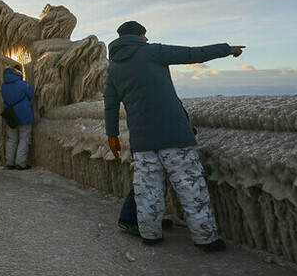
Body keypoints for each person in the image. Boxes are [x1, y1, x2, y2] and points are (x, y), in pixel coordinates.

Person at [103, 21, 244, 251]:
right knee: (191, 189)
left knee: (148, 192)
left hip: (142, 140)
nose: (147, 39)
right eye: (144, 35)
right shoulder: (151, 51)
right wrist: (227, 49)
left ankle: (150, 235)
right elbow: (192, 54)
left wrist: (112, 134)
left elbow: (110, 104)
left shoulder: (113, 67)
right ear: (139, 36)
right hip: (175, 135)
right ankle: (205, 239)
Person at [1, 65, 35, 170]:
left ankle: (9, 162)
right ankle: (20, 163)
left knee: (12, 139)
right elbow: (31, 95)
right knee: (24, 139)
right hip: (24, 114)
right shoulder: (22, 84)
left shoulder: (3, 85)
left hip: (10, 115)